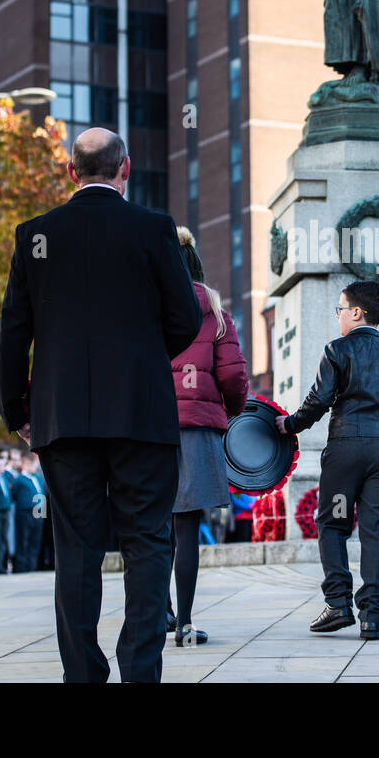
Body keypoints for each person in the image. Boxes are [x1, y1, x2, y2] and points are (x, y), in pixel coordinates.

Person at [0, 126, 201, 683]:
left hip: (63, 419)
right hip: (141, 412)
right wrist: (139, 360)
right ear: (125, 168)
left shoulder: (36, 235)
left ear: (70, 172)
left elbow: (14, 330)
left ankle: (83, 673)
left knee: (77, 549)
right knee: (148, 542)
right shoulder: (154, 229)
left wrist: (16, 409)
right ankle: (140, 669)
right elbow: (185, 318)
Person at [276, 280, 379, 641]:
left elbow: (320, 400)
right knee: (376, 532)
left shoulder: (337, 349)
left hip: (345, 453)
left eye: (340, 309)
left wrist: (289, 424)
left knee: (334, 524)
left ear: (356, 313)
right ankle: (372, 614)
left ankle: (338, 603)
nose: (338, 315)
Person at [168, 226, 249, 647]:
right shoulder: (217, 316)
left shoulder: (148, 308)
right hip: (197, 429)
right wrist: (229, 410)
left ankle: (156, 611)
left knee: (149, 524)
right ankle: (183, 623)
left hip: (150, 427)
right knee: (186, 530)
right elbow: (234, 376)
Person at [9, 453, 45, 573]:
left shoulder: (38, 479)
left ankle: (32, 565)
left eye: (33, 464)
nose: (32, 467)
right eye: (29, 464)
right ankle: (21, 566)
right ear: (23, 465)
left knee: (35, 540)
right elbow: (13, 494)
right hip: (25, 512)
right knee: (23, 539)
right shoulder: (19, 479)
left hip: (38, 512)